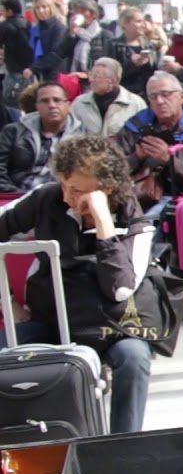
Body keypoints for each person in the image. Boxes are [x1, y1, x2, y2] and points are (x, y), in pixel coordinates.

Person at [0, 135, 157, 434]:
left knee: (134, 357)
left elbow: (120, 290)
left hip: (110, 325)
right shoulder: (47, 199)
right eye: (64, 185)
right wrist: (8, 300)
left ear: (106, 188)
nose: (66, 197)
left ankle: (124, 444)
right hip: (50, 319)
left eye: (77, 190)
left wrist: (103, 224)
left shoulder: (134, 221)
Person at [115, 72, 183, 200]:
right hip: (134, 197)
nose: (160, 101)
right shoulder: (135, 126)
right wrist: (136, 158)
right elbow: (109, 170)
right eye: (153, 97)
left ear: (182, 97)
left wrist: (169, 160)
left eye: (166, 94)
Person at [0, 81, 83, 192]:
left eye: (57, 100)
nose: (52, 105)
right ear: (37, 106)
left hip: (63, 197)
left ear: (68, 105)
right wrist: (13, 194)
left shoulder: (83, 136)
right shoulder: (13, 131)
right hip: (16, 194)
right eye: (45, 101)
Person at [69, 57, 146, 137]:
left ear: (113, 81)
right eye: (91, 75)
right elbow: (69, 133)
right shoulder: (80, 103)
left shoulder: (135, 104)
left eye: (96, 77)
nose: (91, 80)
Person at [29, 0, 68, 81]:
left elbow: (56, 54)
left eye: (44, 7)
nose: (40, 11)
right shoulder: (37, 28)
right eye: (37, 8)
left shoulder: (59, 27)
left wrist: (34, 68)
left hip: (55, 72)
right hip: (41, 72)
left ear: (51, 9)